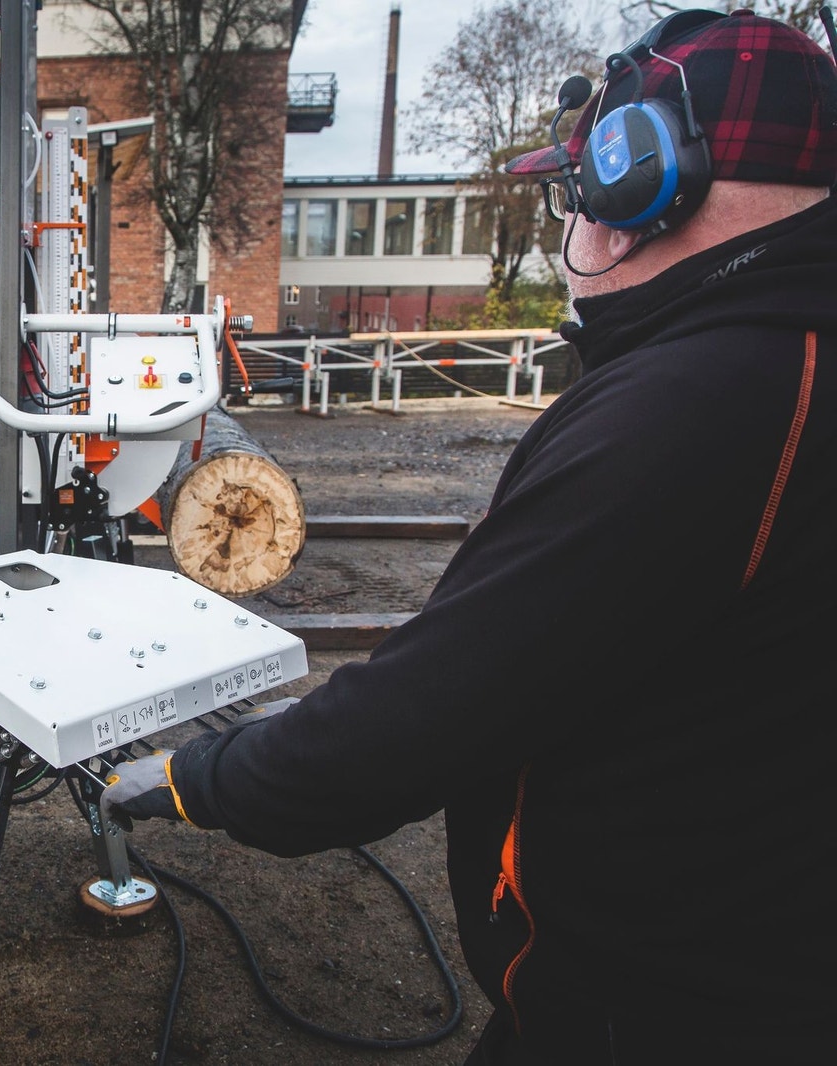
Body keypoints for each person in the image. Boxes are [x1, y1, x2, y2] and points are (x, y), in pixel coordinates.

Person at [102, 9, 837, 1064]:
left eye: (575, 193)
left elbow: (425, 715)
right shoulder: (779, 362)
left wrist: (195, 778)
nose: (569, 229)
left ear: (639, 188)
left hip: (663, 1011)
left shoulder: (702, 402)